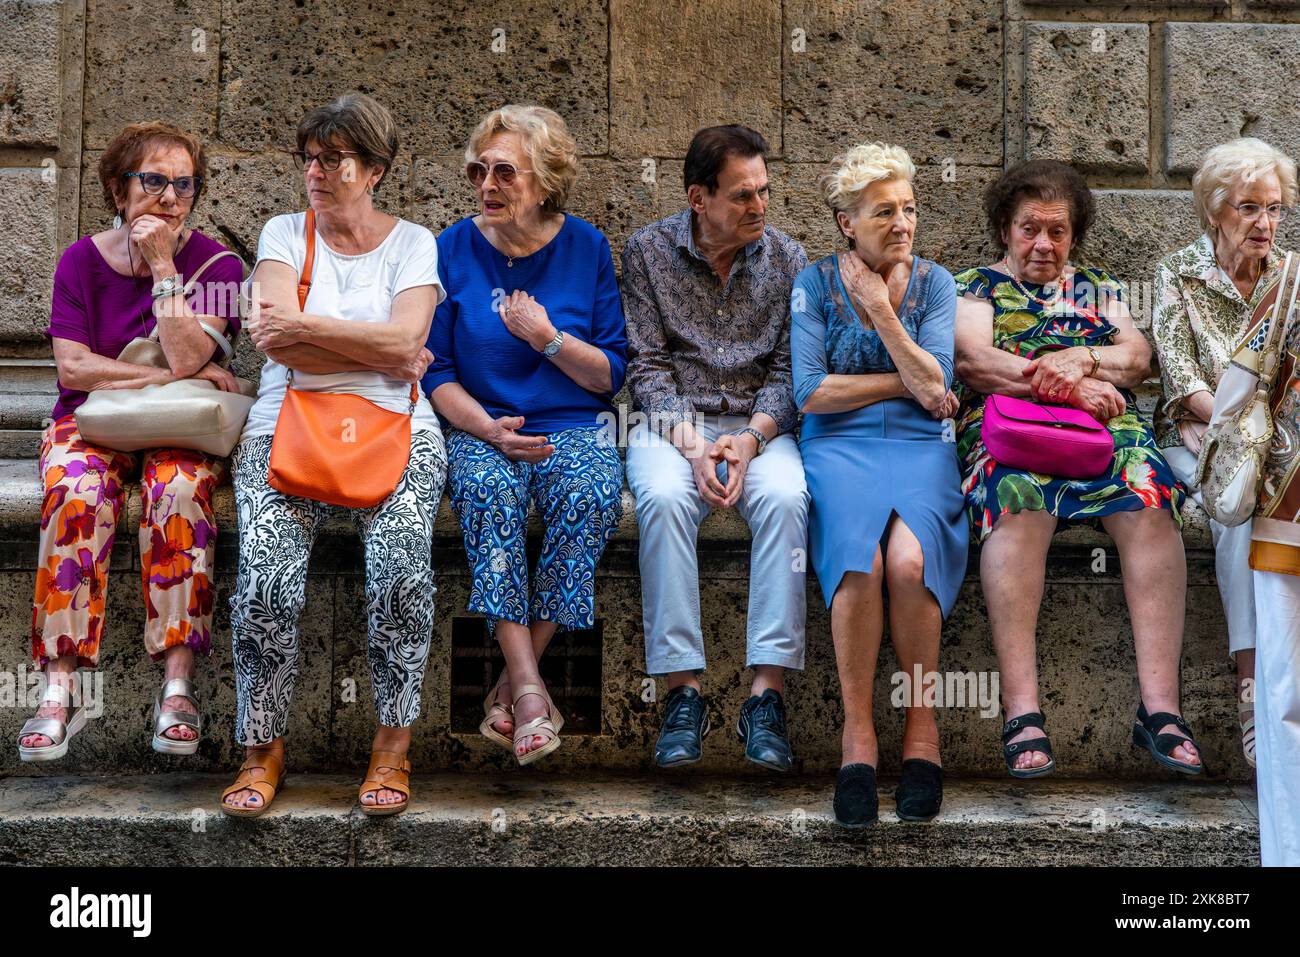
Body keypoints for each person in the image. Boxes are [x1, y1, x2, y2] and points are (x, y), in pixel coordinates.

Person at [220, 92, 446, 817]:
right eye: (308, 158)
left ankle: (391, 744)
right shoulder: (283, 232)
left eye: (334, 159)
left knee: (401, 572)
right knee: (265, 582)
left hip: (400, 426)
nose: (315, 172)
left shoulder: (415, 243)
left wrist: (313, 330)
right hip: (285, 420)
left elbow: (406, 344)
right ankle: (261, 746)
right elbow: (273, 343)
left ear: (376, 169)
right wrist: (379, 345)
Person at [952, 159, 1202, 778]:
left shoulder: (1094, 286)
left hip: (1104, 431)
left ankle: (1160, 712)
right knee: (1019, 502)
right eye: (1029, 229)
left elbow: (1138, 358)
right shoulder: (975, 287)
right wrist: (1064, 387)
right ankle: (1022, 711)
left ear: (1074, 234)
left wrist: (1081, 359)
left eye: (1057, 231)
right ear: (1004, 229)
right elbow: (975, 364)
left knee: (1148, 501)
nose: (1043, 244)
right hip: (1011, 430)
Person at [18, 121, 243, 762]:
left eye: (183, 184)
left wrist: (167, 265)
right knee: (77, 492)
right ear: (120, 189)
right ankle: (58, 691)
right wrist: (167, 374)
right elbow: (74, 370)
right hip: (90, 419)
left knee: (177, 491)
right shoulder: (79, 261)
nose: (170, 196)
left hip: (179, 425)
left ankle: (177, 688)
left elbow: (190, 350)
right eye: (153, 181)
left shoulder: (219, 266)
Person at [424, 104, 626, 765]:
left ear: (544, 181)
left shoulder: (587, 247)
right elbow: (438, 371)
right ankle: (534, 692)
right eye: (478, 170)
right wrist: (487, 428)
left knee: (592, 496)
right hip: (482, 423)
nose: (487, 183)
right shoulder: (451, 247)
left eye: (505, 171)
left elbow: (609, 375)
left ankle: (517, 680)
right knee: (486, 494)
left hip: (572, 424)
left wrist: (548, 339)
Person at [622, 125, 809, 771]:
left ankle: (766, 695)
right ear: (699, 197)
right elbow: (645, 365)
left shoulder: (790, 259)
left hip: (759, 424)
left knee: (788, 497)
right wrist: (692, 442)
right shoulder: (646, 251)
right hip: (676, 423)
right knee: (663, 498)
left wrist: (753, 438)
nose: (759, 207)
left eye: (764, 191)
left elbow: (790, 373)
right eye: (741, 196)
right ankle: (684, 693)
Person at [791, 143, 966, 825]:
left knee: (910, 559)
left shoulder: (936, 283)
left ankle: (923, 729)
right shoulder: (812, 283)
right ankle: (858, 733)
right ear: (846, 222)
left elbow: (943, 385)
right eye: (885, 211)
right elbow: (810, 392)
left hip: (923, 446)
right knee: (861, 562)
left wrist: (884, 314)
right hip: (839, 445)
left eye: (910, 208)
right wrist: (912, 382)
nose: (902, 223)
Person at [1151, 137, 1298, 769]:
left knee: (1280, 503)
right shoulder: (1176, 273)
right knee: (1238, 515)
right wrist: (1245, 430)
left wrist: (1274, 432)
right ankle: (1251, 687)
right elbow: (1182, 379)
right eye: (1249, 208)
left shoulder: (1293, 279)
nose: (1264, 223)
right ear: (1215, 211)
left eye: (1275, 208)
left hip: (1281, 443)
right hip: (1197, 440)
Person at [1205, 251, 1300, 866]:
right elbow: (1233, 405)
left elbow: (1230, 406)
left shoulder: (1288, 284)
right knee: (1284, 696)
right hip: (1289, 516)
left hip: (1288, 517)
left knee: (1286, 700)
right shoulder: (1289, 284)